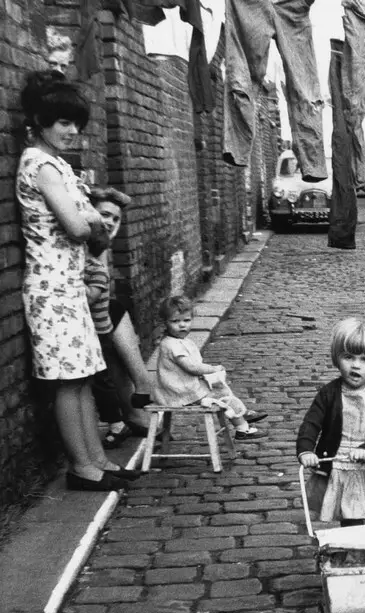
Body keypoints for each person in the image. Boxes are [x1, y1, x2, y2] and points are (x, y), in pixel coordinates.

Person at [16, 70, 138, 492]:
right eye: (63, 122)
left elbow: (97, 232)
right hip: (51, 289)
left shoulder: (58, 165)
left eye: (76, 124)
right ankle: (81, 467)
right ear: (40, 121)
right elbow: (79, 226)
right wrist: (86, 219)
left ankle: (98, 460)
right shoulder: (39, 164)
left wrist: (89, 221)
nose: (72, 131)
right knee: (68, 382)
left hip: (68, 286)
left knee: (83, 376)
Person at [297, 318, 365, 527]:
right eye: (348, 357)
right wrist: (306, 450)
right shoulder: (329, 394)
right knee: (349, 516)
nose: (356, 365)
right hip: (339, 463)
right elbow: (311, 424)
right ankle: (351, 552)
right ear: (337, 358)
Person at [83, 186, 158, 447]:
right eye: (104, 214)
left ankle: (138, 399)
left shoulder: (101, 244)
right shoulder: (85, 240)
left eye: (116, 219)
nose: (111, 222)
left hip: (97, 317)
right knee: (115, 312)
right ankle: (141, 390)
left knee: (114, 317)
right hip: (81, 318)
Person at [153, 296, 267, 440]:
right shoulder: (171, 345)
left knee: (220, 389)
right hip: (180, 392)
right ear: (165, 323)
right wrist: (212, 369)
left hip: (185, 387)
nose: (182, 325)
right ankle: (242, 427)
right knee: (223, 396)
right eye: (175, 321)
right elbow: (192, 367)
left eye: (186, 320)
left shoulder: (181, 341)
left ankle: (242, 414)